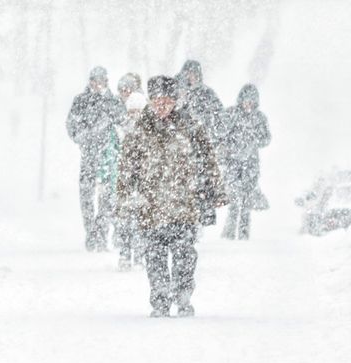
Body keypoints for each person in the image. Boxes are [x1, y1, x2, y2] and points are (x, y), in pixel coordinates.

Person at [117, 75, 225, 317]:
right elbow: (126, 169)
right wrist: (126, 197)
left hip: (184, 206)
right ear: (150, 102)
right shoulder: (139, 132)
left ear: (175, 101)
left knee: (184, 255)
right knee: (154, 258)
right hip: (151, 209)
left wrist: (214, 190)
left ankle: (183, 295)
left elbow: (207, 161)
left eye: (167, 100)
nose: (162, 105)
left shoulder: (190, 128)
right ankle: (160, 299)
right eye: (157, 100)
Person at [66, 66, 126, 251]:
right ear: (90, 81)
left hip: (108, 157)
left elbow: (122, 120)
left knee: (107, 198)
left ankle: (101, 234)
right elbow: (71, 125)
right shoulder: (81, 101)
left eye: (101, 81)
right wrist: (84, 138)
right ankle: (90, 233)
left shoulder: (113, 101)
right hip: (89, 156)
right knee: (86, 196)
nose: (98, 84)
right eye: (95, 80)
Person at [219, 84, 271, 240]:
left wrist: (255, 139)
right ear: (241, 100)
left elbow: (266, 139)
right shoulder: (232, 113)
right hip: (233, 163)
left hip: (251, 164)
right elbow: (221, 133)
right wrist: (228, 147)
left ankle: (243, 233)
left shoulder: (260, 118)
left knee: (247, 200)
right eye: (245, 101)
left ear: (255, 102)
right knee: (234, 198)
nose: (248, 104)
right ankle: (229, 232)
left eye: (251, 101)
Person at [113, 90, 149, 270]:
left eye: (138, 111)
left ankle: (140, 256)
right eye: (132, 111)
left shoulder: (150, 132)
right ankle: (125, 254)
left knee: (142, 221)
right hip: (125, 183)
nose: (135, 115)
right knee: (125, 222)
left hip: (144, 183)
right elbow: (117, 158)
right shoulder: (122, 132)